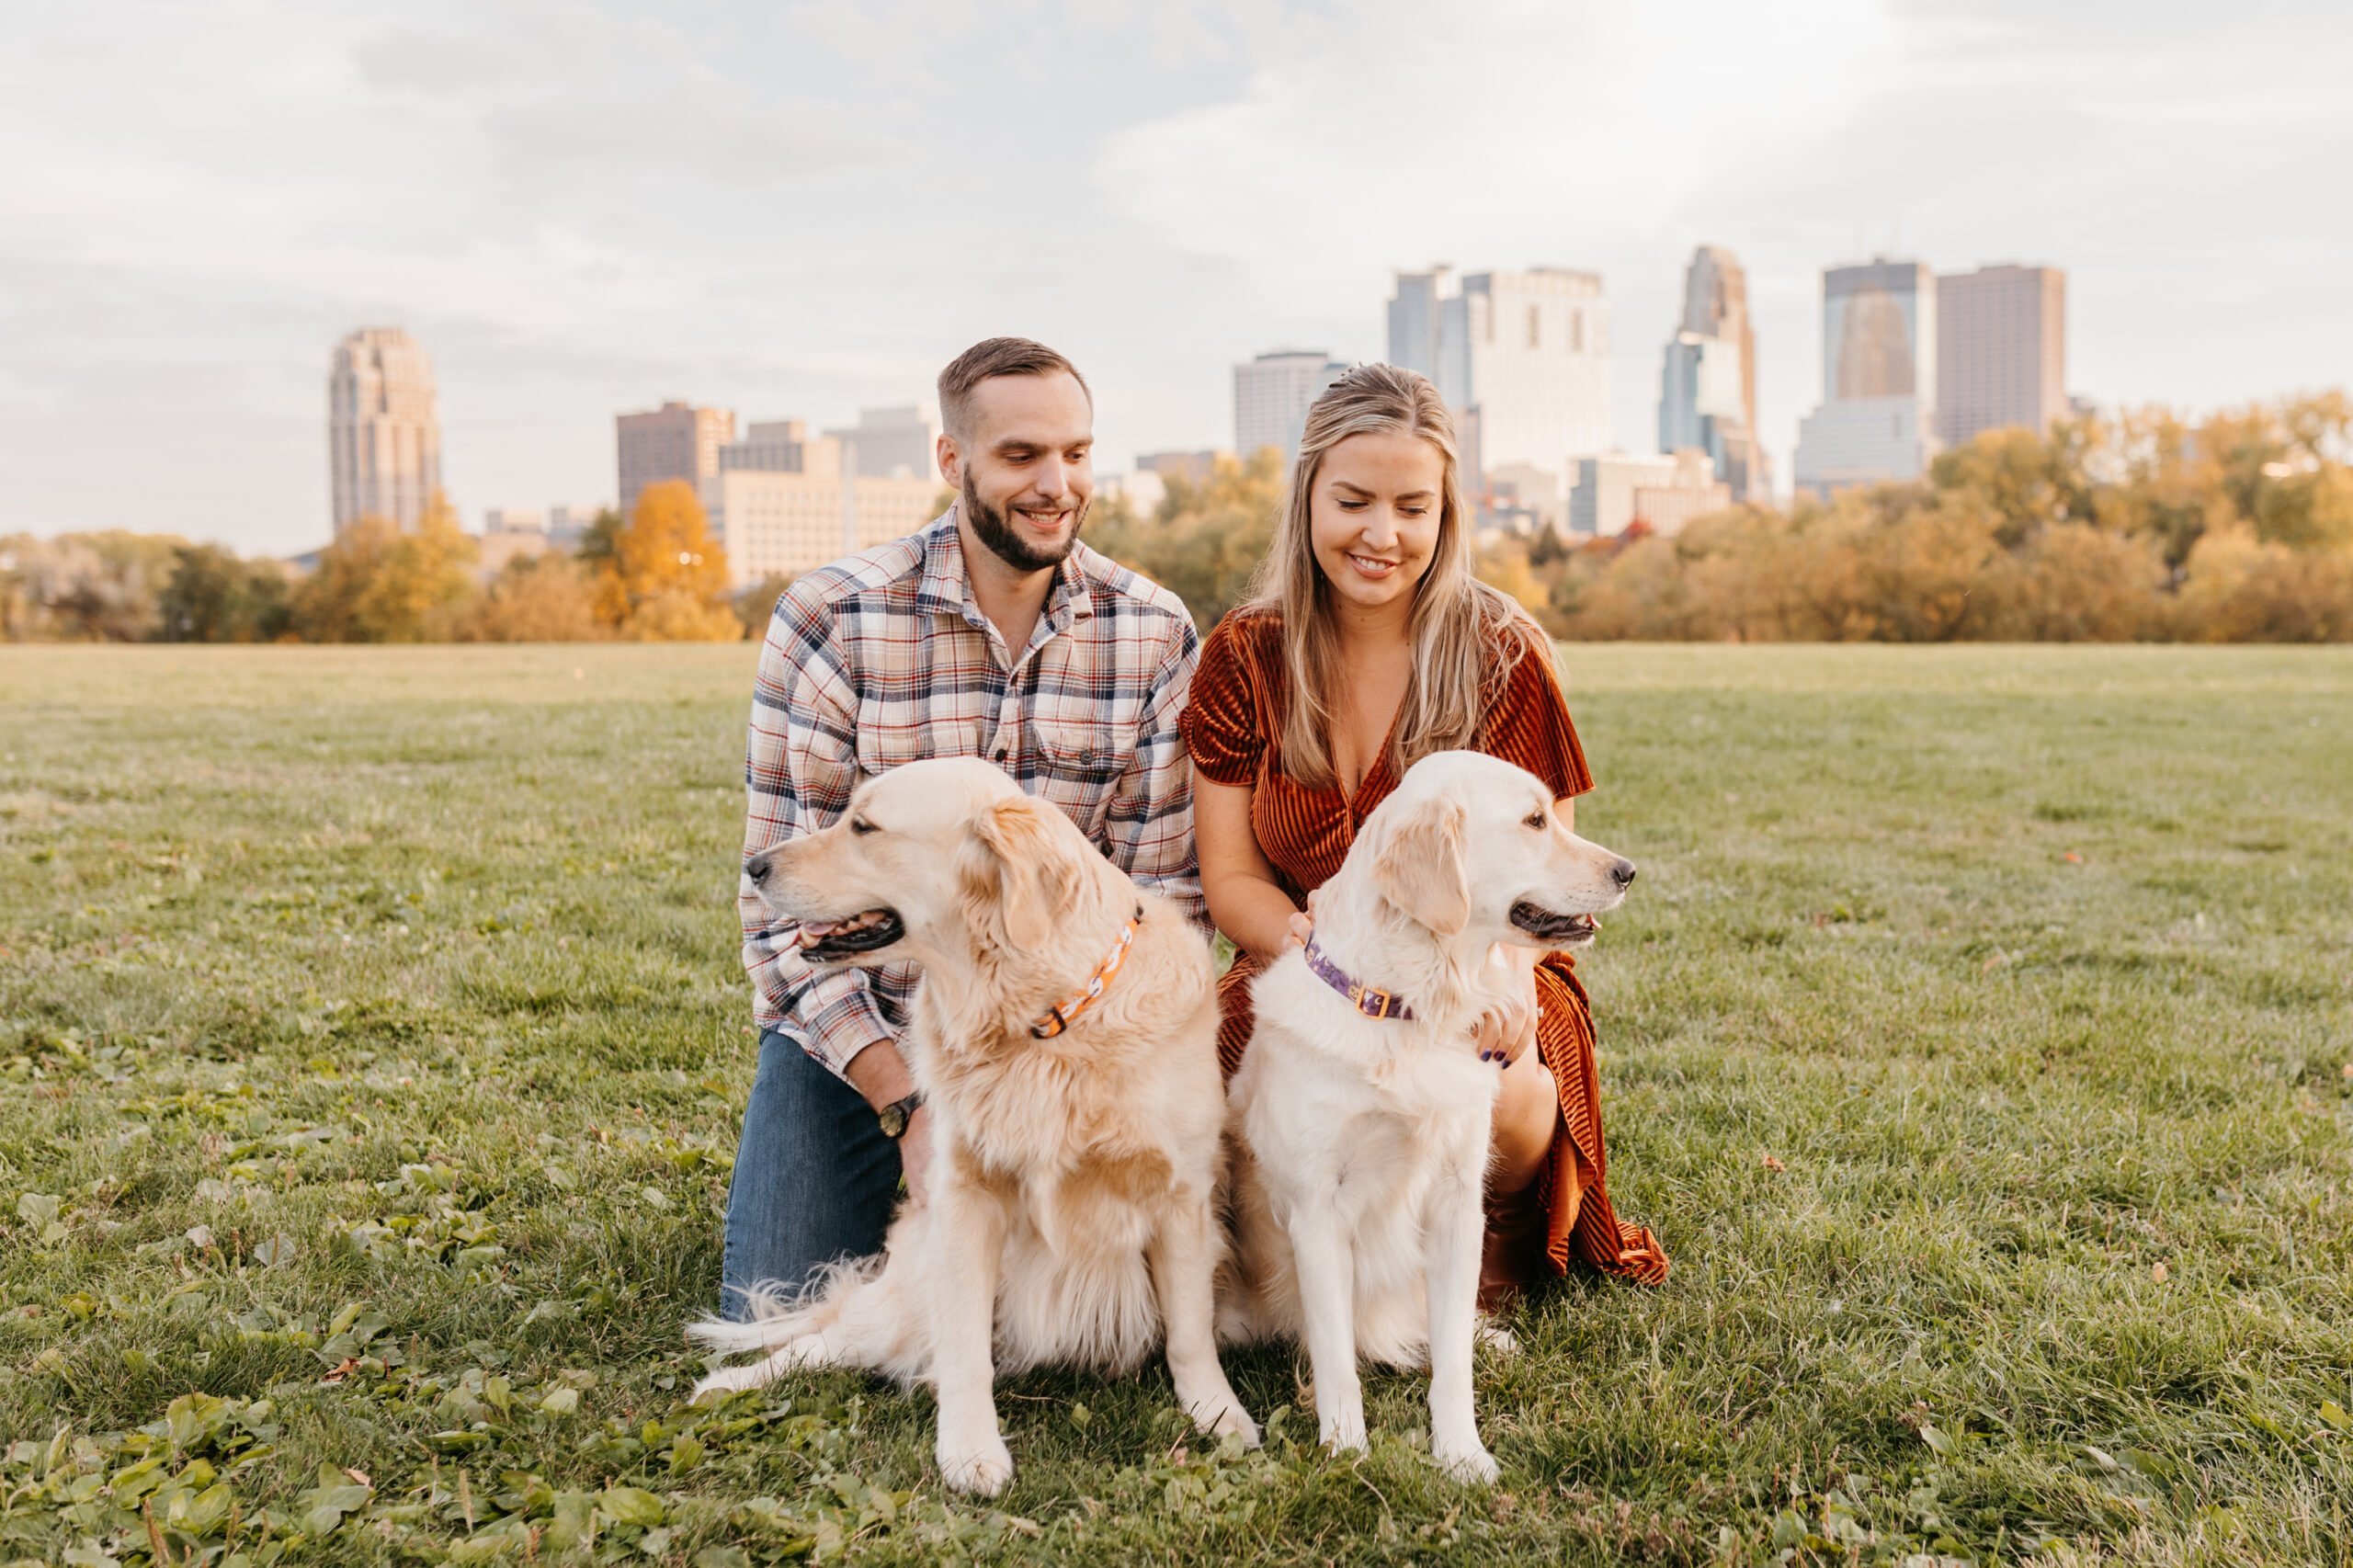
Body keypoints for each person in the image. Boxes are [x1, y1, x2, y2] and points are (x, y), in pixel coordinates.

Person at [722, 337, 1202, 1313]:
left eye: (1076, 452)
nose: (1055, 483)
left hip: (1071, 1047)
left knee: (1108, 1328)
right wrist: (909, 1102)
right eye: (1021, 454)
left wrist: (1078, 1100)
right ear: (953, 461)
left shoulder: (1151, 631)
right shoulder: (831, 618)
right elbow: (780, 922)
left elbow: (1166, 905)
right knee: (770, 1305)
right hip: (879, 1025)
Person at [1182, 363, 1668, 1310]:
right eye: (1353, 500)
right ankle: (1258, 1282)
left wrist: (1506, 983)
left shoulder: (1500, 651)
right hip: (1305, 959)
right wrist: (1322, 952)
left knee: (1509, 1085)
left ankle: (1491, 1263)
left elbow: (1543, 883)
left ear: (1446, 511)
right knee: (1208, 1080)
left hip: (1481, 959)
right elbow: (1231, 876)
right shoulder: (1244, 653)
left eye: (1413, 506)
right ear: (1307, 496)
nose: (1382, 534)